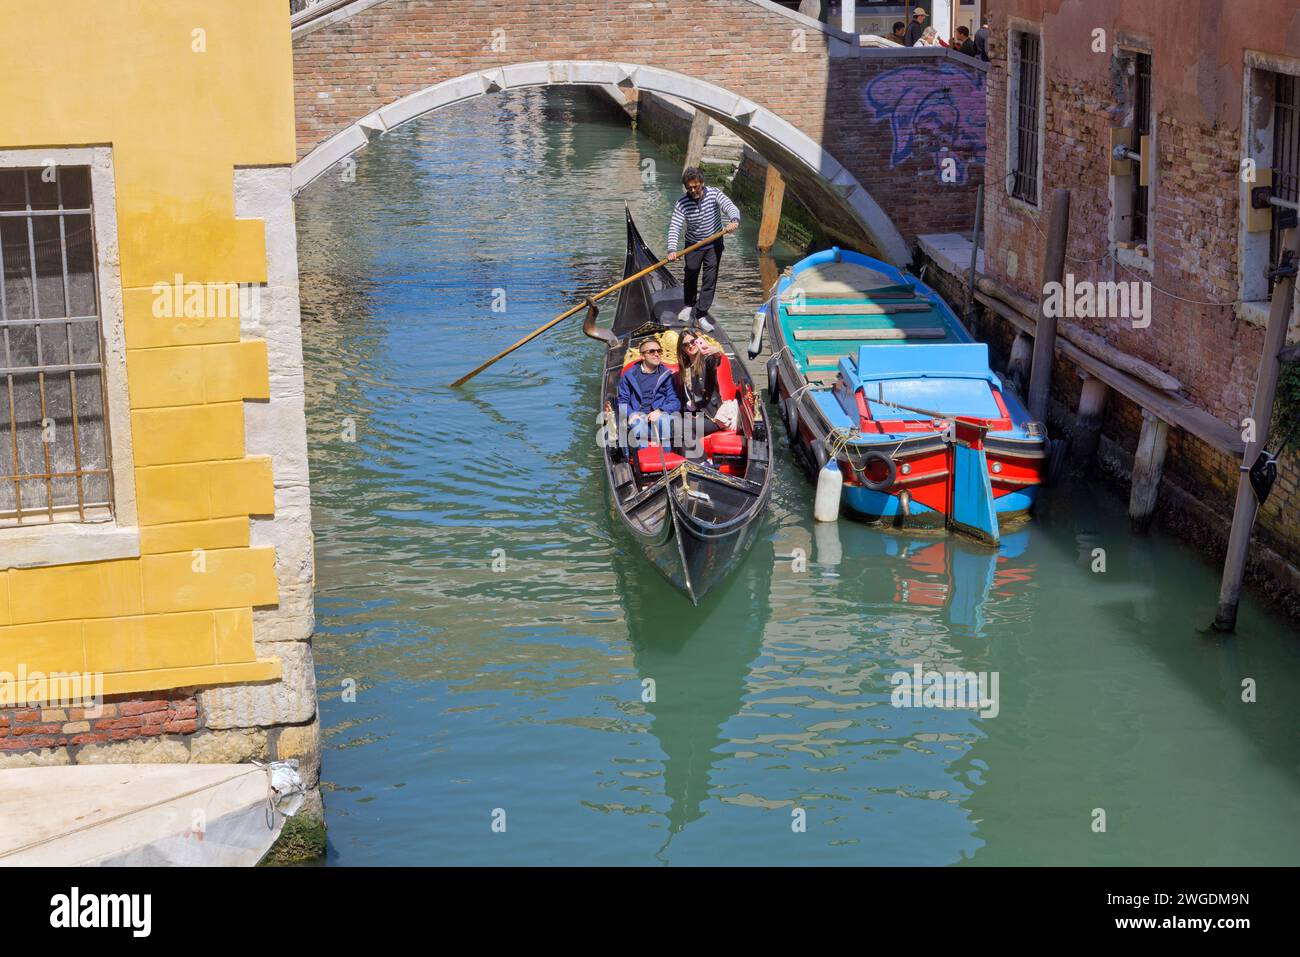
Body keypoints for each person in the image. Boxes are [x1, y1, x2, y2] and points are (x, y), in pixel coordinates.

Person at [667, 167, 740, 326]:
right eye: (689, 187)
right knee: (691, 274)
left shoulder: (714, 194)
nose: (693, 190)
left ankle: (701, 313)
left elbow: (730, 206)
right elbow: (675, 226)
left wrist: (734, 220)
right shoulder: (682, 203)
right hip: (693, 244)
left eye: (696, 186)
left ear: (702, 183)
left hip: (714, 244)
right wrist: (672, 249)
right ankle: (689, 304)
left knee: (709, 279)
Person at [617, 337, 680, 448]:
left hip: (660, 416)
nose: (657, 354)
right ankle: (643, 459)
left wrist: (660, 411)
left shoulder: (666, 375)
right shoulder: (629, 375)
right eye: (651, 351)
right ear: (642, 356)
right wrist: (631, 413)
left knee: (663, 421)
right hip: (639, 415)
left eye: (659, 351)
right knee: (638, 425)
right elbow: (622, 401)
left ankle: (668, 457)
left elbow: (674, 401)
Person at [674, 329, 725, 457]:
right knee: (678, 427)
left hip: (713, 416)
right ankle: (690, 465)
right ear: (683, 349)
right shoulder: (685, 369)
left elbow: (715, 361)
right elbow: (688, 398)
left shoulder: (706, 360)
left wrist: (715, 351)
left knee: (683, 426)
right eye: (686, 344)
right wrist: (691, 412)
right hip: (697, 415)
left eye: (693, 341)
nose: (690, 345)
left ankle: (702, 463)